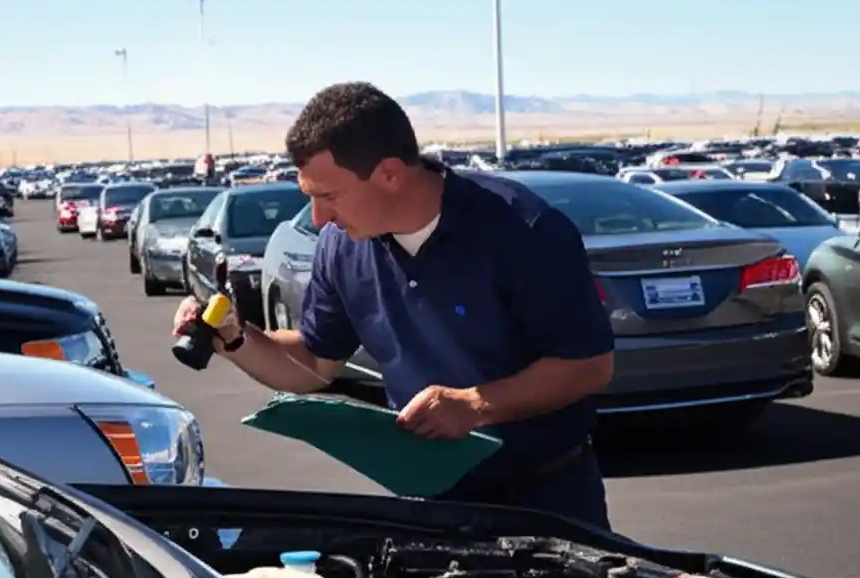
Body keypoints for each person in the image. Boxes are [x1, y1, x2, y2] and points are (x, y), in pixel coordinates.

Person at [172, 81, 617, 529]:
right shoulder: (340, 247)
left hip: (549, 502)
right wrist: (234, 336)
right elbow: (312, 362)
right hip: (430, 508)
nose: (318, 218)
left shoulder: (522, 229)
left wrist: (475, 405)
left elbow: (589, 365)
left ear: (389, 174)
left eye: (329, 196)